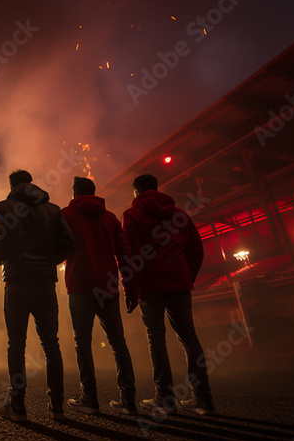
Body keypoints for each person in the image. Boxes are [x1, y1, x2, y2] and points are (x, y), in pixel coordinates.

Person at [0, 169, 76, 422]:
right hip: (45, 282)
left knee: (16, 344)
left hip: (16, 281)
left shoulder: (3, 207)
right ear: (31, 183)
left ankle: (18, 407)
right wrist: (48, 262)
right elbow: (69, 242)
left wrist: (3, 260)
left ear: (12, 184)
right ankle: (57, 407)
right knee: (51, 344)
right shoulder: (52, 210)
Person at [122, 174, 212, 416]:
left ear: (136, 191)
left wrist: (131, 289)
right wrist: (186, 276)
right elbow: (196, 249)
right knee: (189, 338)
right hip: (179, 285)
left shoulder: (132, 215)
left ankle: (165, 397)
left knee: (156, 338)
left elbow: (130, 255)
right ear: (156, 188)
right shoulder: (180, 215)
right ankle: (203, 399)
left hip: (150, 287)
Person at [61, 176, 138, 416]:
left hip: (80, 287)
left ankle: (89, 398)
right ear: (94, 193)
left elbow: (58, 246)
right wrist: (130, 288)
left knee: (82, 342)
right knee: (118, 342)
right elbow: (125, 254)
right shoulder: (110, 218)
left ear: (75, 194)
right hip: (108, 286)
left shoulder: (67, 215)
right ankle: (128, 399)